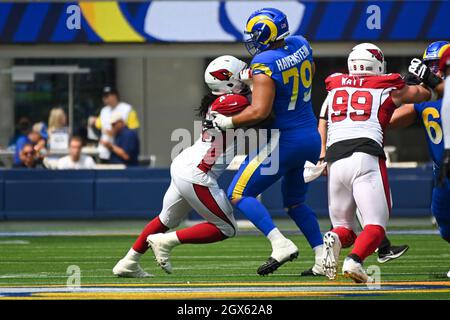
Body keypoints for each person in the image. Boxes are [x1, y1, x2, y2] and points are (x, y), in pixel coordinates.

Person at [113, 55, 250, 277]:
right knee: (227, 228)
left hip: (186, 165)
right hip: (197, 172)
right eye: (241, 73)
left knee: (165, 219)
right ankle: (166, 242)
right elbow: (259, 105)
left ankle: (128, 262)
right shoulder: (232, 101)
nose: (246, 75)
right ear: (228, 80)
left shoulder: (224, 101)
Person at [211, 8, 324, 276]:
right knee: (295, 202)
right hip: (309, 136)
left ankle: (280, 243)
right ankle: (322, 259)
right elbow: (305, 75)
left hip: (285, 140)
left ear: (266, 33)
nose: (251, 38)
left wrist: (227, 122)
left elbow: (259, 111)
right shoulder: (300, 44)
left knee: (238, 193)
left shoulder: (264, 62)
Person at [319, 43, 435, 283]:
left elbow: (326, 119)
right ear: (378, 64)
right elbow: (424, 94)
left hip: (335, 158)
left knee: (344, 226)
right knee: (376, 225)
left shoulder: (335, 85)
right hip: (365, 155)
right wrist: (420, 78)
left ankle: (334, 237)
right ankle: (354, 261)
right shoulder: (387, 86)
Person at [390, 41, 450, 277]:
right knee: (444, 222)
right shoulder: (426, 96)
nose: (434, 70)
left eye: (438, 65)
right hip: (442, 172)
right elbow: (394, 119)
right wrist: (408, 89)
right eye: (430, 66)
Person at [90, 87, 140, 163]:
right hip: (105, 151)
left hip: (121, 149)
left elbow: (133, 130)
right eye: (103, 97)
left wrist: (114, 132)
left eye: (107, 96)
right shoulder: (104, 111)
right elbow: (99, 125)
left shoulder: (127, 109)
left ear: (115, 96)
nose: (105, 99)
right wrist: (94, 121)